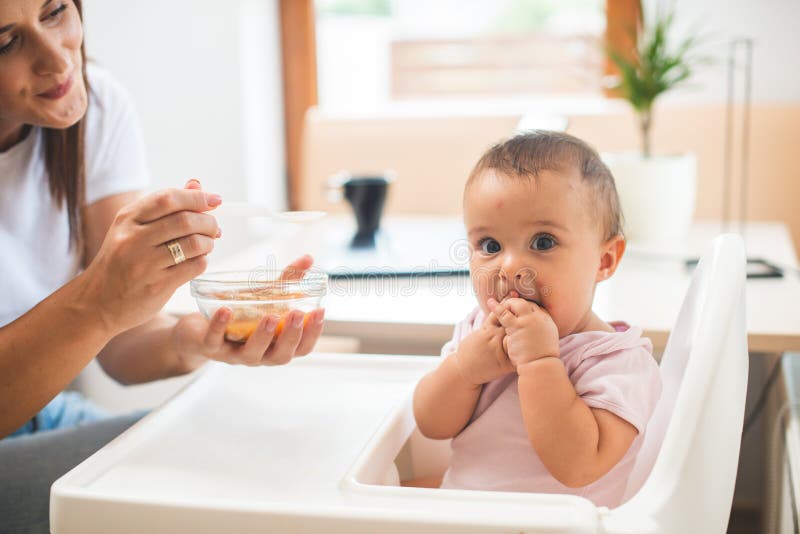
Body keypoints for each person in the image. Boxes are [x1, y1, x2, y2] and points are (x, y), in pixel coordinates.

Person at [0, 1, 324, 531]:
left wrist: (196, 338)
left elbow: (119, 348)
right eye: (6, 42)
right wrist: (101, 300)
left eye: (56, 11)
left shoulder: (96, 106)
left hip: (51, 416)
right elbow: (99, 315)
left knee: (266, 445)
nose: (57, 62)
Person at [412, 131, 662, 507]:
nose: (509, 266)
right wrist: (466, 369)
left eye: (543, 242)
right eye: (490, 246)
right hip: (465, 513)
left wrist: (541, 363)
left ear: (604, 260)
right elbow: (430, 424)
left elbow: (579, 465)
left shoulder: (619, 363)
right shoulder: (478, 332)